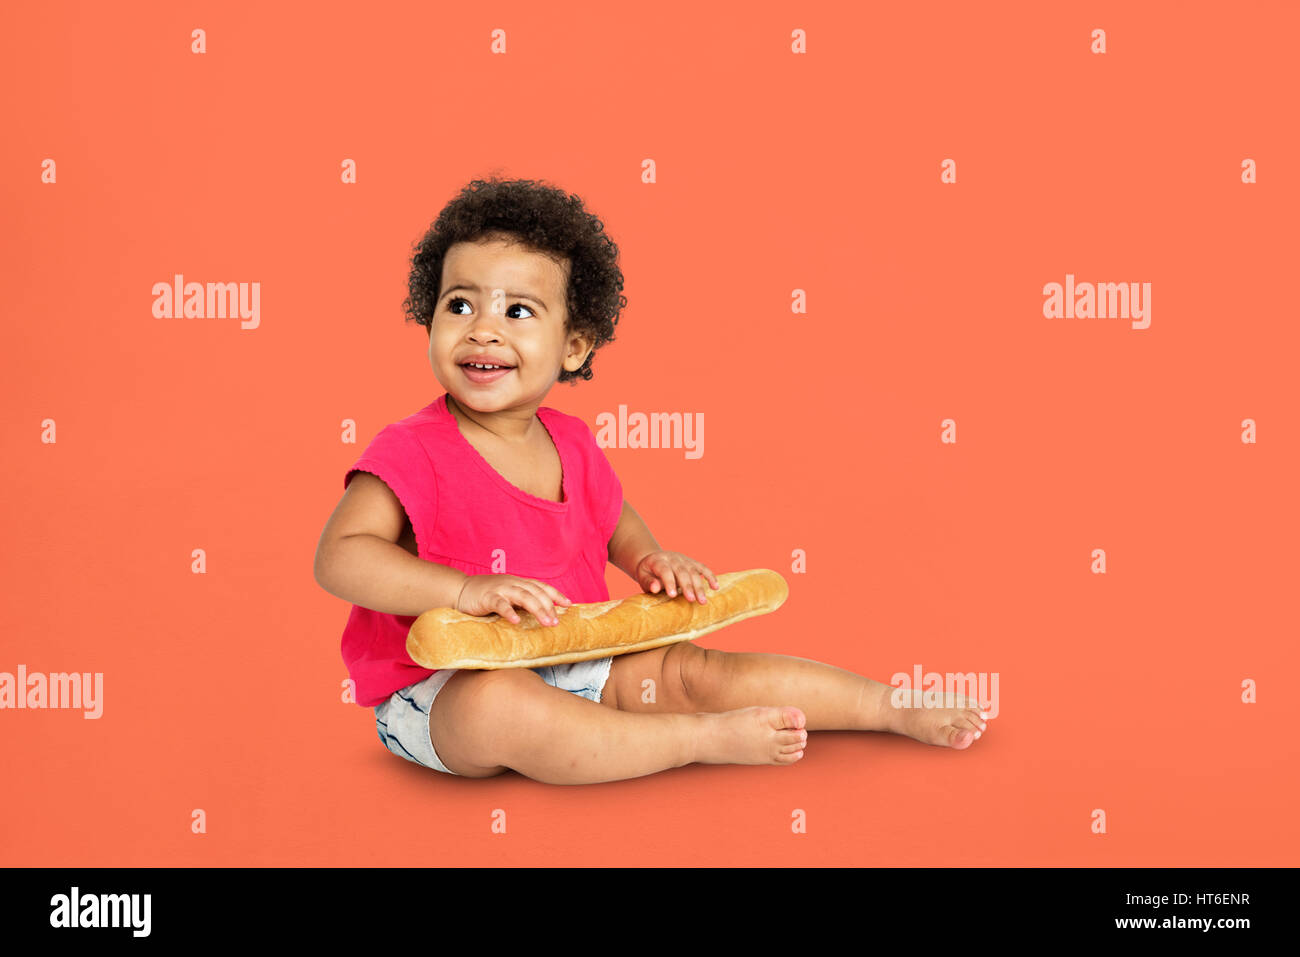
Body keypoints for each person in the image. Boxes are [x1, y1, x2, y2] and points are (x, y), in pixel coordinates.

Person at [314, 177, 989, 785]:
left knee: (690, 668)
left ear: (573, 345)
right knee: (502, 706)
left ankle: (887, 704)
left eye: (517, 312)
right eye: (460, 305)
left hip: (578, 653)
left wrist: (649, 559)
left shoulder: (572, 441)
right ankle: (694, 739)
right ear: (428, 317)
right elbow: (341, 555)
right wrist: (463, 589)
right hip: (441, 688)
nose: (483, 329)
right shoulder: (411, 450)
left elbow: (613, 519)